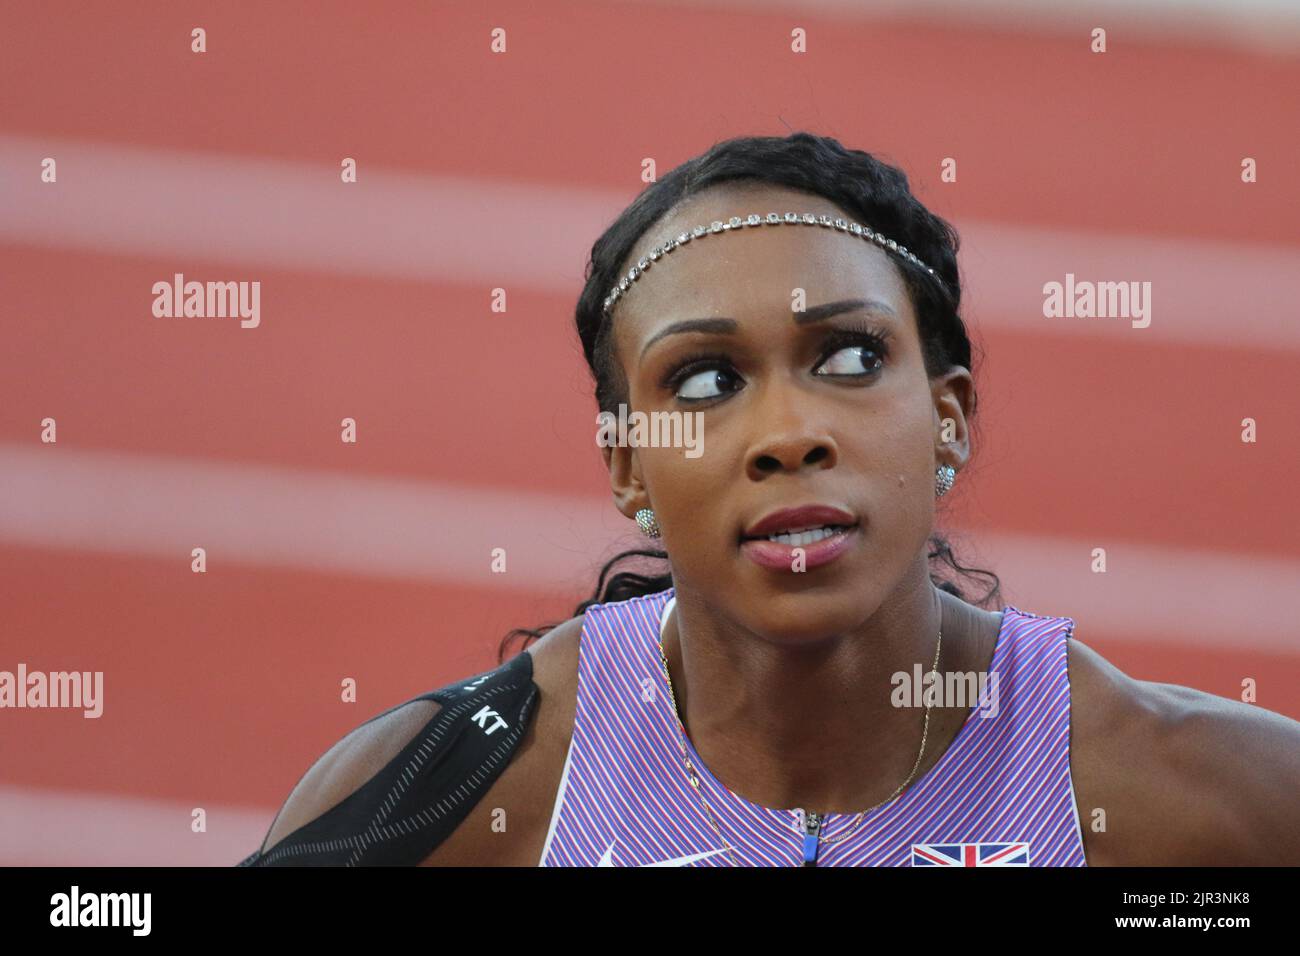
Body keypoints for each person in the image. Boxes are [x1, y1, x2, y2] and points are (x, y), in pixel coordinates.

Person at [241, 132, 1300, 867]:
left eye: (846, 354)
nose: (788, 432)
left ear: (949, 416)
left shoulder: (1180, 798)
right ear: (627, 465)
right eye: (704, 381)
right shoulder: (458, 793)